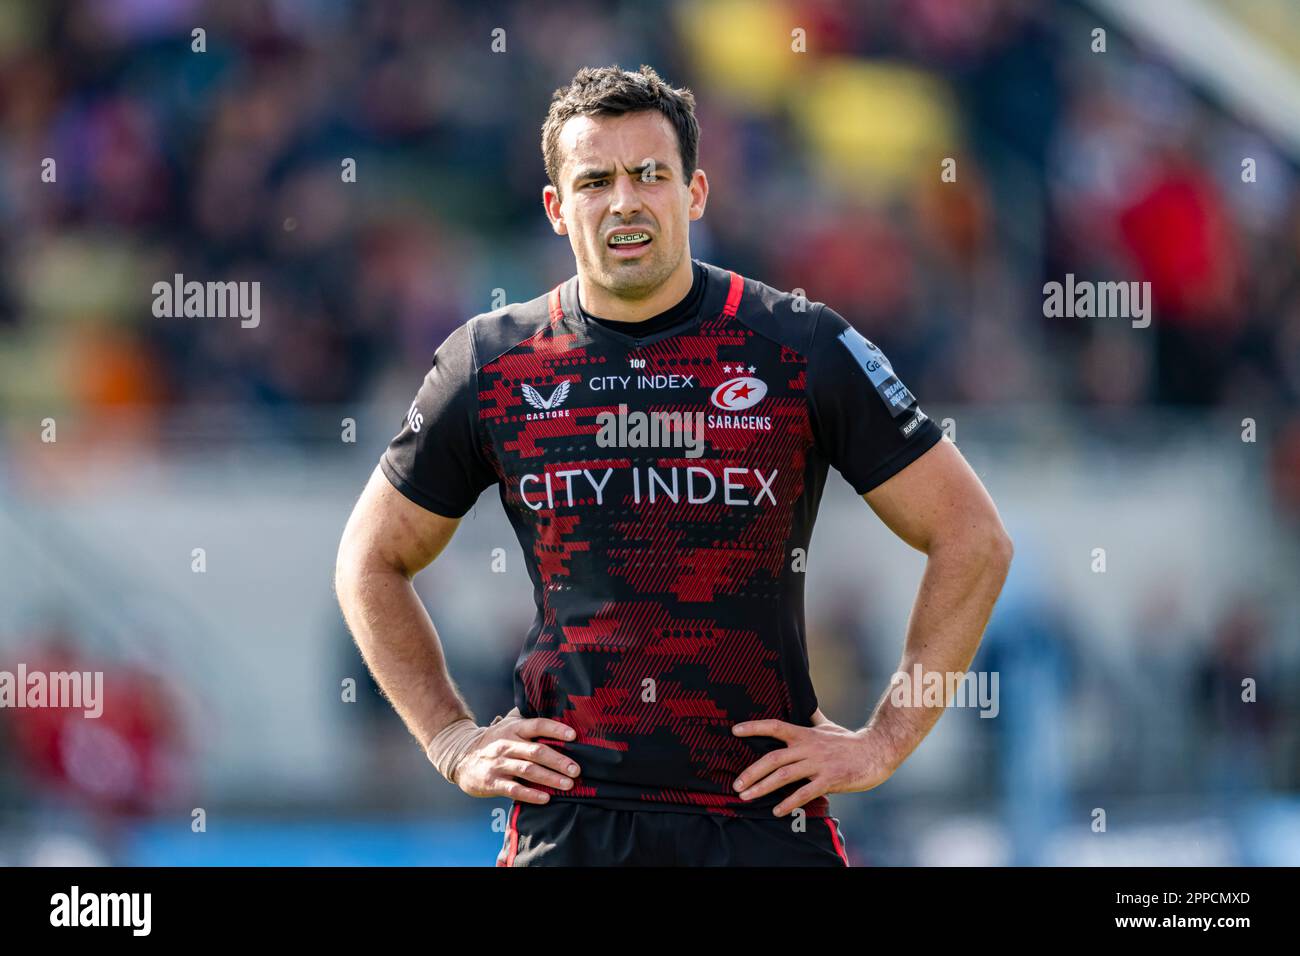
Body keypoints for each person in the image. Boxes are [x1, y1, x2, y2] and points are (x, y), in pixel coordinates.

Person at [335, 64, 1013, 866]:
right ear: (557, 208)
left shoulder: (799, 346)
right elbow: (370, 560)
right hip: (572, 822)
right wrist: (451, 737)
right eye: (595, 181)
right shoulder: (492, 362)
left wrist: (883, 742)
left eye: (649, 174)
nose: (625, 201)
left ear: (693, 193)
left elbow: (972, 539)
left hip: (764, 815)